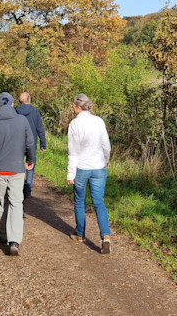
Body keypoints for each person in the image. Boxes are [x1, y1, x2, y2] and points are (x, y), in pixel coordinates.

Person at [0, 92, 35, 256]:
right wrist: (30, 159)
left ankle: (3, 234)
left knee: (1, 202)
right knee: (16, 203)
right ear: (13, 104)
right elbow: (30, 143)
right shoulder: (22, 121)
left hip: (0, 169)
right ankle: (14, 241)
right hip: (17, 169)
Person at [67, 93, 112, 254]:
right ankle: (105, 236)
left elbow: (73, 152)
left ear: (79, 106)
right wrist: (104, 161)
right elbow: (106, 145)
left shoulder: (74, 124)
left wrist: (70, 174)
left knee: (80, 202)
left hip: (82, 168)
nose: (72, 107)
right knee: (99, 202)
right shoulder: (99, 121)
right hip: (99, 167)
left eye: (73, 105)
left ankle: (80, 235)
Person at [14, 92, 47, 199]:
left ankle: (17, 187)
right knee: (30, 166)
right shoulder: (35, 111)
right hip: (31, 143)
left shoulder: (15, 111)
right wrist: (43, 144)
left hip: (17, 142)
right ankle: (27, 189)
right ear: (29, 99)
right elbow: (40, 128)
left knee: (18, 165)